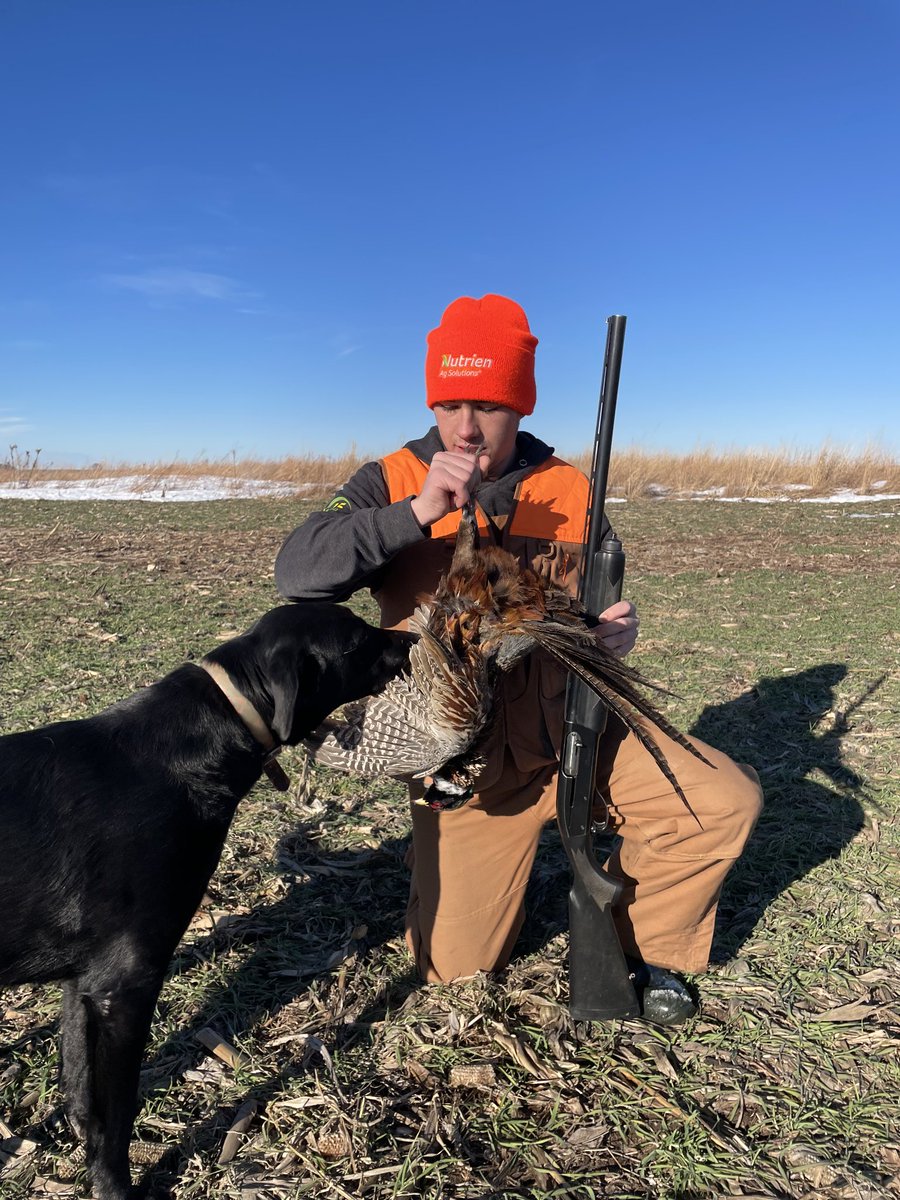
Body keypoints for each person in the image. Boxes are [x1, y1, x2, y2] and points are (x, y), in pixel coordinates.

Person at [275, 294, 763, 1025]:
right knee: (454, 971)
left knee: (722, 803)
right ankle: (442, 856)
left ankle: (637, 943)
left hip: (575, 731)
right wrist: (418, 513)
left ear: (521, 405)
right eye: (451, 404)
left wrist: (612, 632)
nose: (467, 426)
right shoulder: (391, 480)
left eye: (490, 405)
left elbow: (595, 600)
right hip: (464, 768)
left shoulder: (571, 488)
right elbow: (297, 572)